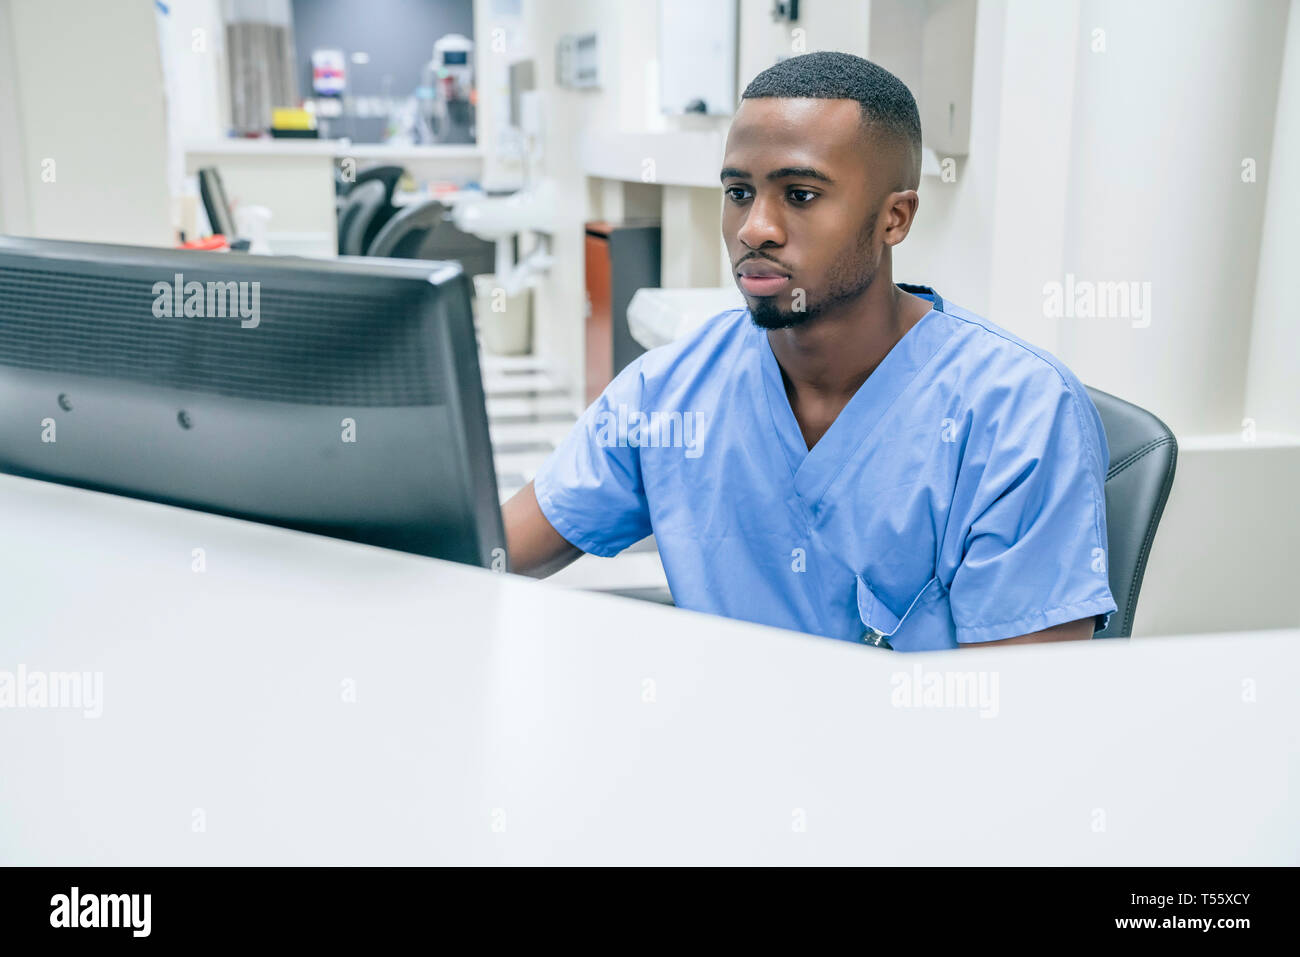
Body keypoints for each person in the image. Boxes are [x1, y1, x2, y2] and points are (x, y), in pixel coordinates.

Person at [502, 51, 1117, 652]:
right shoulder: (670, 392)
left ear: (895, 219)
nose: (754, 228)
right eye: (738, 192)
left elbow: (1027, 713)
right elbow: (497, 551)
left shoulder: (1017, 413)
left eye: (799, 194)